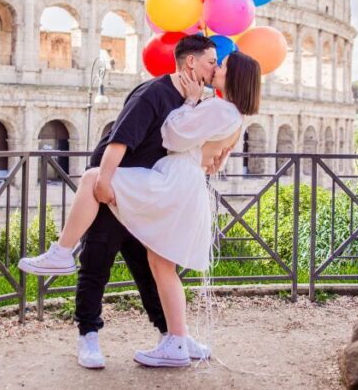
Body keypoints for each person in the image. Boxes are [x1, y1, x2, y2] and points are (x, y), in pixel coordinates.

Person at [20, 49, 262, 368]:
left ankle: (62, 252)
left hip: (169, 183)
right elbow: (213, 156)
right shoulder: (226, 112)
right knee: (159, 265)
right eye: (214, 62)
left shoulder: (217, 107)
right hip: (176, 184)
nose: (217, 69)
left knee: (94, 179)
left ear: (235, 77)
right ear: (192, 62)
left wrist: (190, 104)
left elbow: (174, 136)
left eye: (224, 66)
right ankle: (174, 338)